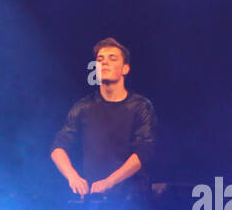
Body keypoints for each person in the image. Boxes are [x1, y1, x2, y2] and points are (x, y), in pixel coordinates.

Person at [50, 38, 156, 199]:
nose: (104, 63)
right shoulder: (83, 106)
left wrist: (110, 181)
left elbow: (144, 151)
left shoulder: (140, 106)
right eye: (100, 60)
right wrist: (73, 176)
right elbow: (58, 147)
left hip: (132, 200)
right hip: (93, 198)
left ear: (125, 69)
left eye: (112, 59)